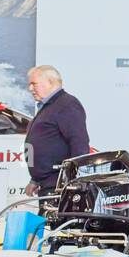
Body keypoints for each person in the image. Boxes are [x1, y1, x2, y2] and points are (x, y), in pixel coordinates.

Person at [23, 65, 89, 196]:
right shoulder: (50, 106)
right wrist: (35, 180)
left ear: (50, 82)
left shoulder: (66, 104)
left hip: (61, 186)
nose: (30, 88)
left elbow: (79, 143)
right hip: (48, 184)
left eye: (33, 84)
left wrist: (73, 181)